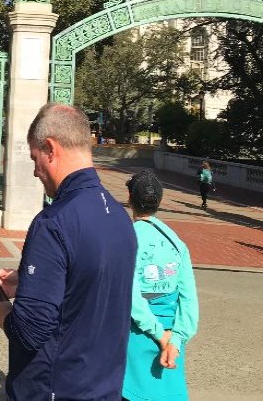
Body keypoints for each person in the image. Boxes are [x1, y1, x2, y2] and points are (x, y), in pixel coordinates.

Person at [0, 103, 137, 400]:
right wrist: (28, 281)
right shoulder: (120, 218)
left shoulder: (54, 222)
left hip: (55, 388)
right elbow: (90, 287)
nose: (35, 171)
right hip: (105, 387)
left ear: (50, 149)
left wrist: (3, 313)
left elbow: (30, 330)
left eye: (35, 158)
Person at [123, 170, 199, 401]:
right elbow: (188, 298)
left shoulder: (127, 238)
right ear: (160, 201)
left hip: (136, 332)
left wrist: (158, 333)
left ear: (130, 199)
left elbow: (129, 294)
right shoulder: (176, 242)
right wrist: (175, 339)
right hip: (171, 333)